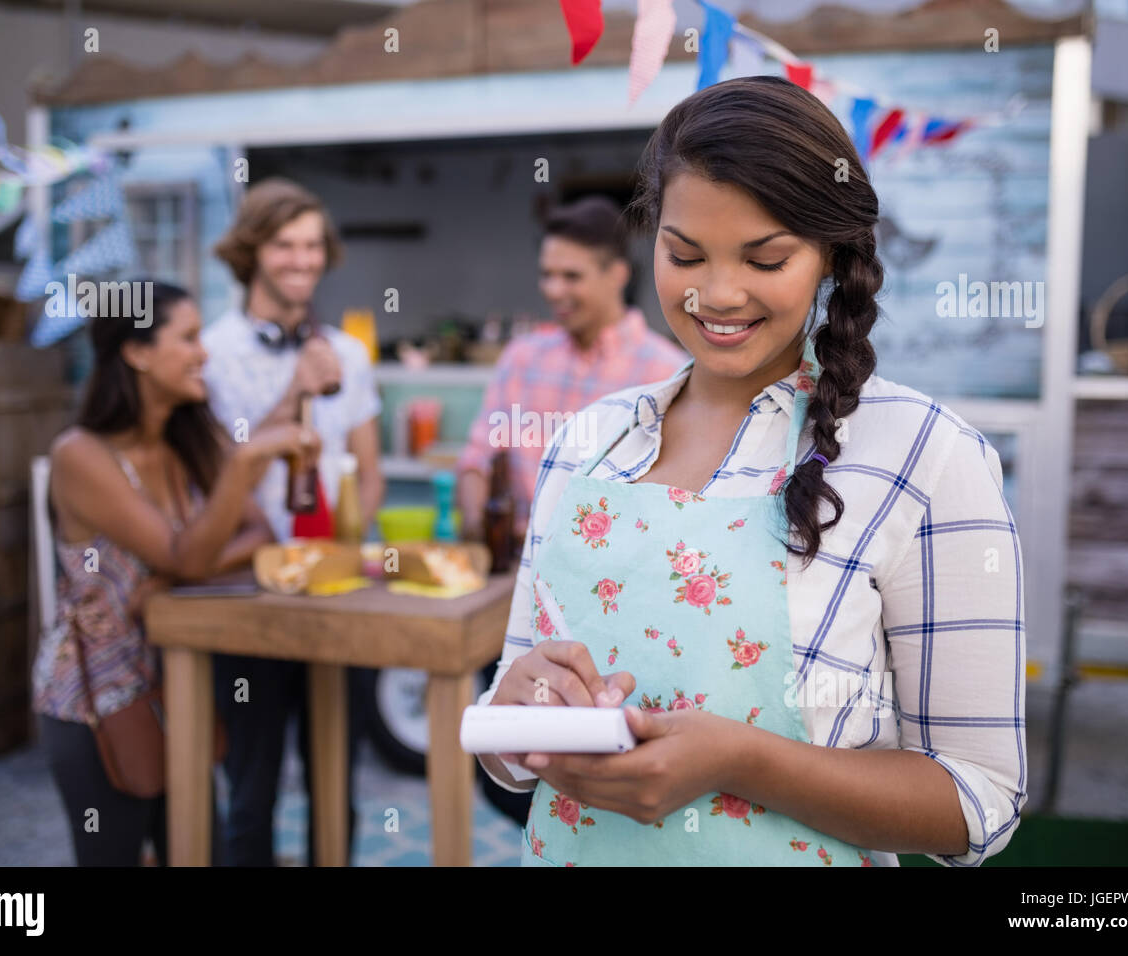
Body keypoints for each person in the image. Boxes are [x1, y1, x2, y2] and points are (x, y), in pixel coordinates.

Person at [477, 76, 1027, 867]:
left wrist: (740, 760)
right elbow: (508, 752)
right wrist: (517, 706)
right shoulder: (587, 442)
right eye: (684, 254)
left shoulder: (924, 454)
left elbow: (979, 800)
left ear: (830, 255)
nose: (718, 293)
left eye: (765, 258)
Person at [35, 281, 320, 866]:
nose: (204, 352)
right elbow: (189, 552)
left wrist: (169, 582)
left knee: (198, 851)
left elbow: (257, 535)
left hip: (179, 687)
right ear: (137, 353)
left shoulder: (193, 433)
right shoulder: (80, 456)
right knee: (111, 856)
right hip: (96, 697)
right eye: (188, 337)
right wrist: (243, 466)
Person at [203, 177, 384, 866]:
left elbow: (366, 472)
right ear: (250, 252)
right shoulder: (211, 354)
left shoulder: (352, 353)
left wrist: (345, 553)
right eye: (285, 245)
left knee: (336, 782)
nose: (303, 260)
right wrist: (294, 391)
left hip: (332, 594)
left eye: (313, 246)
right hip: (247, 592)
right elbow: (224, 474)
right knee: (251, 790)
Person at [457, 195, 687, 542]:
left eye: (571, 276)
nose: (553, 290)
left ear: (617, 275)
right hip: (517, 568)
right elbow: (477, 461)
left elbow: (675, 503)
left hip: (613, 582)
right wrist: (479, 529)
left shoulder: (667, 373)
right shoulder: (520, 359)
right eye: (547, 275)